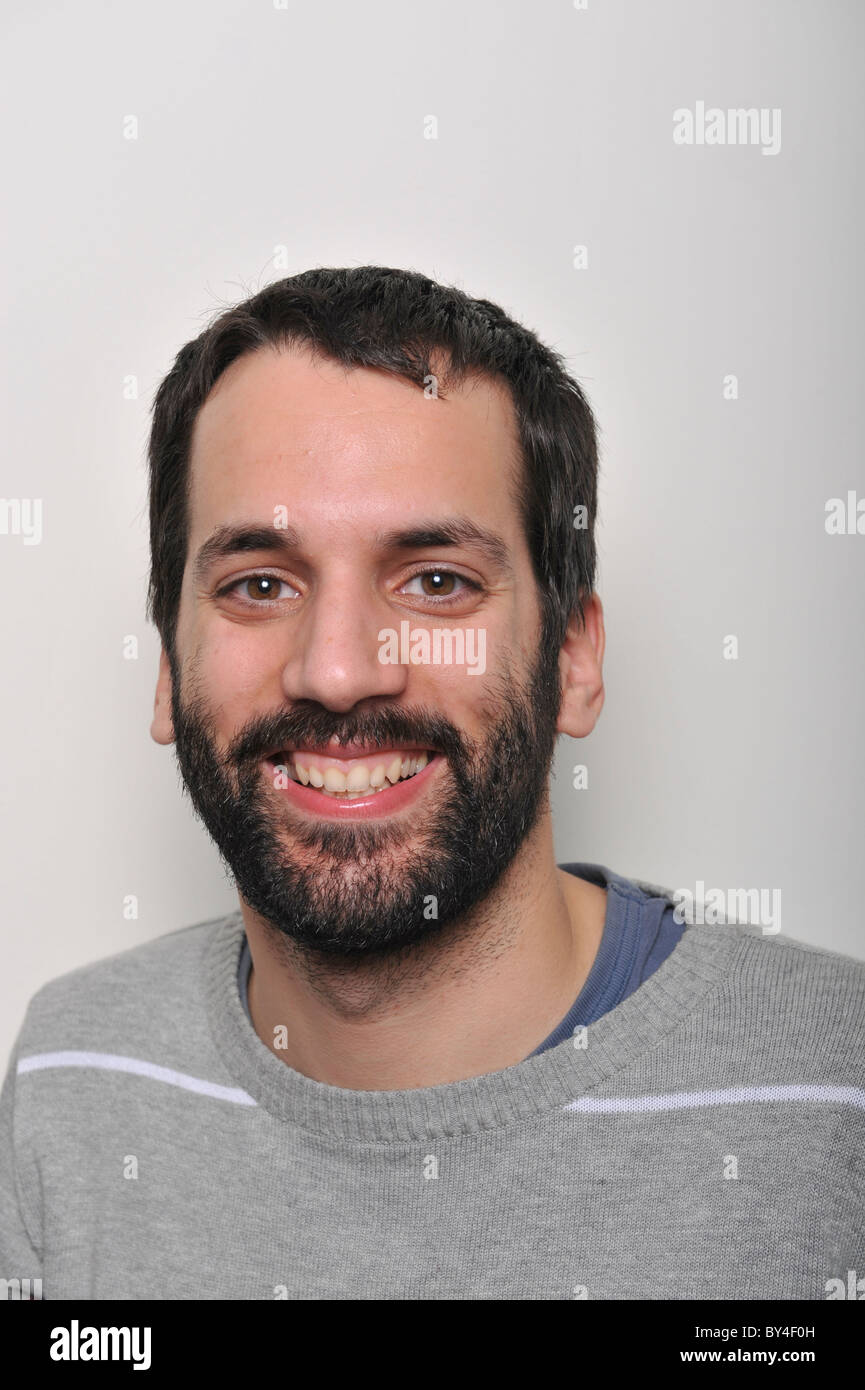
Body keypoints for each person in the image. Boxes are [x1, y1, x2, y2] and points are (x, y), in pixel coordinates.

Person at [1, 267, 862, 1301]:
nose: (338, 668)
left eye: (436, 580)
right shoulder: (75, 1070)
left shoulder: (833, 1089)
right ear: (168, 668)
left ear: (574, 661)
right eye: (259, 583)